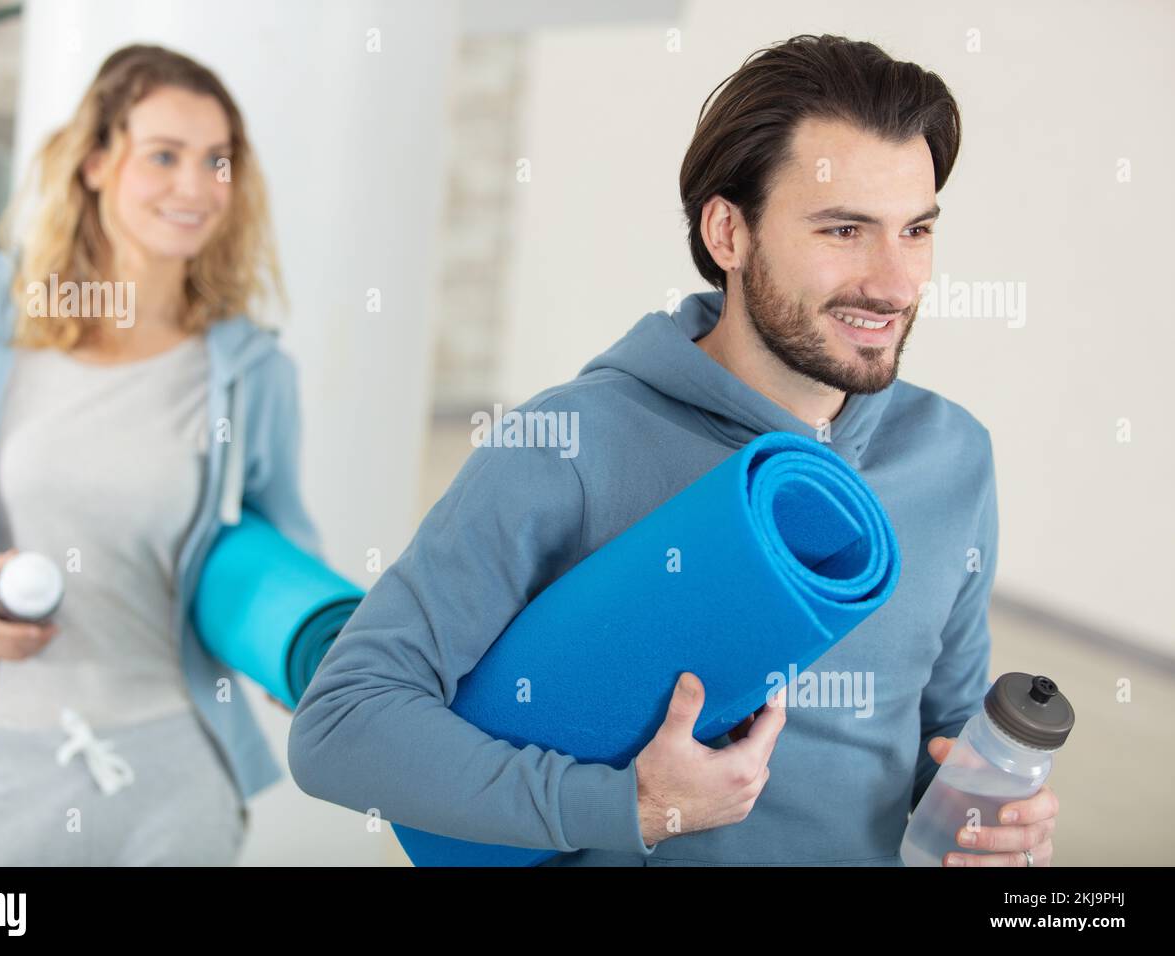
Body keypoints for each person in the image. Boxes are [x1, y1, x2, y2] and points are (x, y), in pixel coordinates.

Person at [288, 34, 1058, 867]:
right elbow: (342, 724)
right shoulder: (568, 446)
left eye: (915, 230)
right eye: (844, 229)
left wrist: (983, 816)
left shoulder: (952, 457)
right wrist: (631, 807)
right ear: (728, 232)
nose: (896, 282)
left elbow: (937, 733)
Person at [0, 44, 321, 865]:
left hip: (174, 773)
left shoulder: (249, 368)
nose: (195, 186)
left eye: (217, 160)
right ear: (94, 162)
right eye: (164, 155)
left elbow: (284, 533)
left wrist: (297, 646)